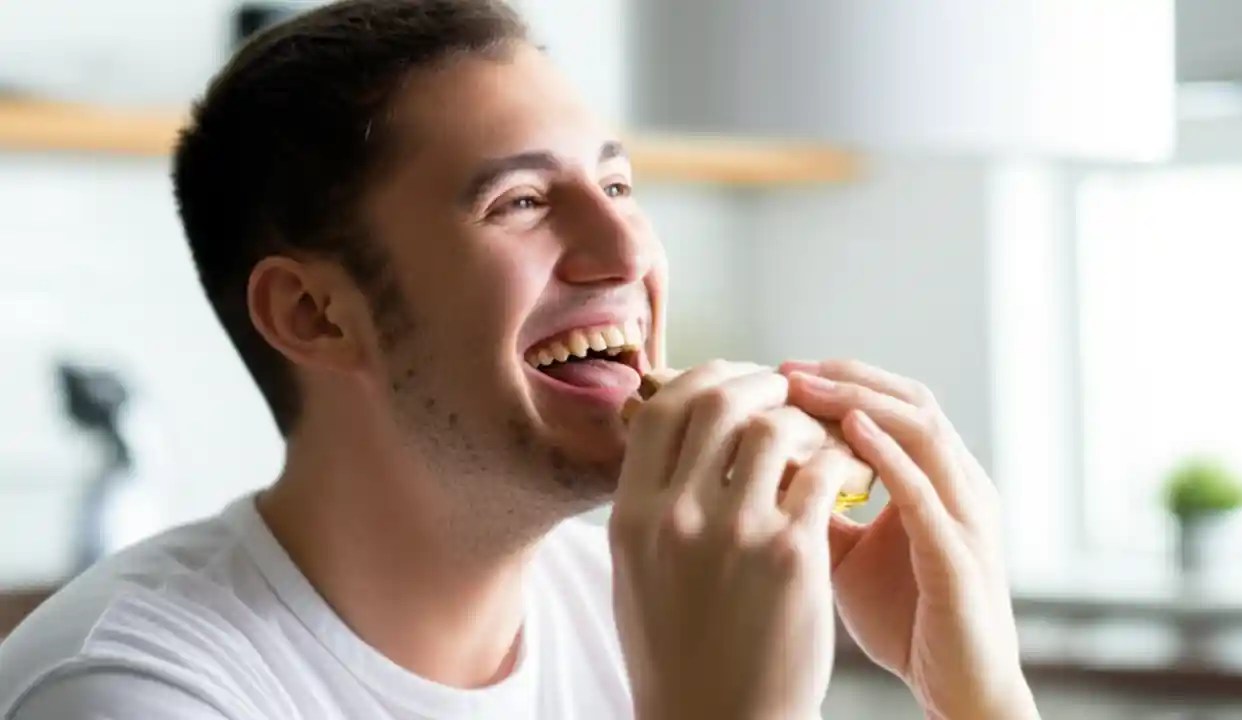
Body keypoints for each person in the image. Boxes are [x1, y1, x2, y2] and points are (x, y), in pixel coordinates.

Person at [0, 1, 1039, 718]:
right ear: (315, 314)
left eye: (621, 189)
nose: (629, 252)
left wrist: (973, 692)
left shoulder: (650, 592)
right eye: (523, 203)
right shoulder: (132, 691)